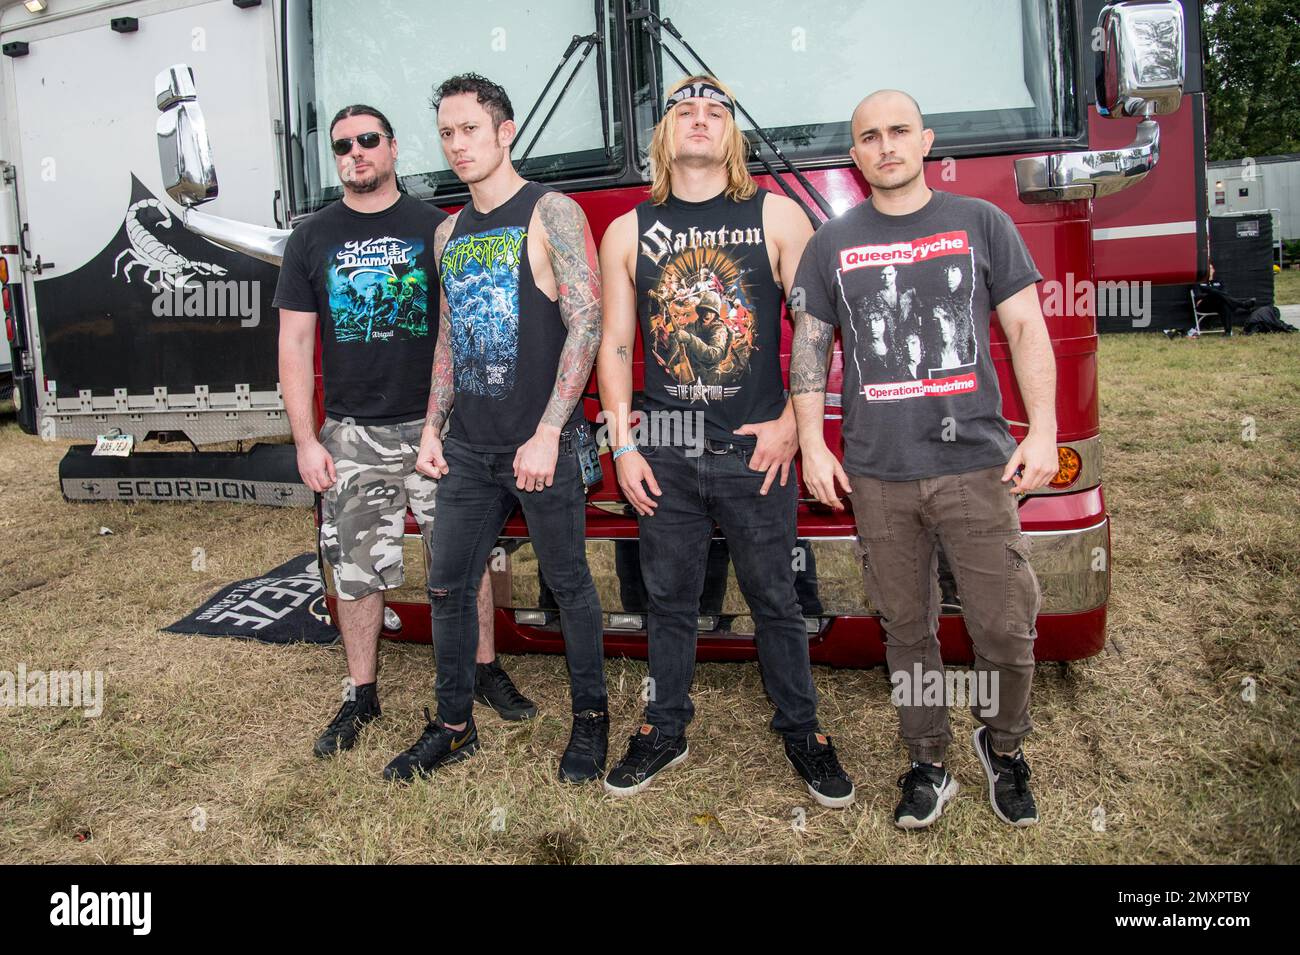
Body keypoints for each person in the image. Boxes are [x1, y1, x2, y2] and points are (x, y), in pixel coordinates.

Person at [790, 89, 1058, 828]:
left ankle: (1002, 745)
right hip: (879, 472)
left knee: (1003, 622)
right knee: (906, 629)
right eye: (870, 136)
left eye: (899, 131)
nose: (886, 145)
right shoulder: (830, 243)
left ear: (926, 141)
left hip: (976, 462)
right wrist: (813, 444)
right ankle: (927, 760)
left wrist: (1043, 430)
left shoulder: (981, 222)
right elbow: (809, 350)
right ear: (856, 154)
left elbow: (1027, 330)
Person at [596, 74, 855, 807]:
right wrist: (624, 446)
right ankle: (665, 726)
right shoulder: (628, 229)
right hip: (665, 450)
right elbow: (614, 345)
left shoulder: (777, 217)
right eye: (685, 110)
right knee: (669, 598)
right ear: (666, 134)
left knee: (775, 595)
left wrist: (792, 428)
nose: (700, 119)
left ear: (732, 134)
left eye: (716, 112)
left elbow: (818, 329)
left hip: (756, 447)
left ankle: (803, 729)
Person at [274, 104, 534, 762]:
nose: (356, 153)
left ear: (392, 148)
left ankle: (481, 668)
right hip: (352, 434)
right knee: (356, 571)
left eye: (368, 140)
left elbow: (467, 328)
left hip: (435, 428)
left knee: (461, 558)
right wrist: (307, 440)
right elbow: (295, 344)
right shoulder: (310, 238)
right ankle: (361, 692)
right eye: (342, 145)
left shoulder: (437, 228)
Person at [383, 74, 608, 783]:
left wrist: (548, 430)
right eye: (446, 132)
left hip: (542, 443)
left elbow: (588, 321)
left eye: (469, 130)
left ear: (504, 132)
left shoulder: (552, 212)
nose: (457, 145)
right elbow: (448, 339)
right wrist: (430, 427)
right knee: (447, 584)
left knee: (568, 584)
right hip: (469, 448)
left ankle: (591, 721)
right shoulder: (450, 230)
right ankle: (454, 726)